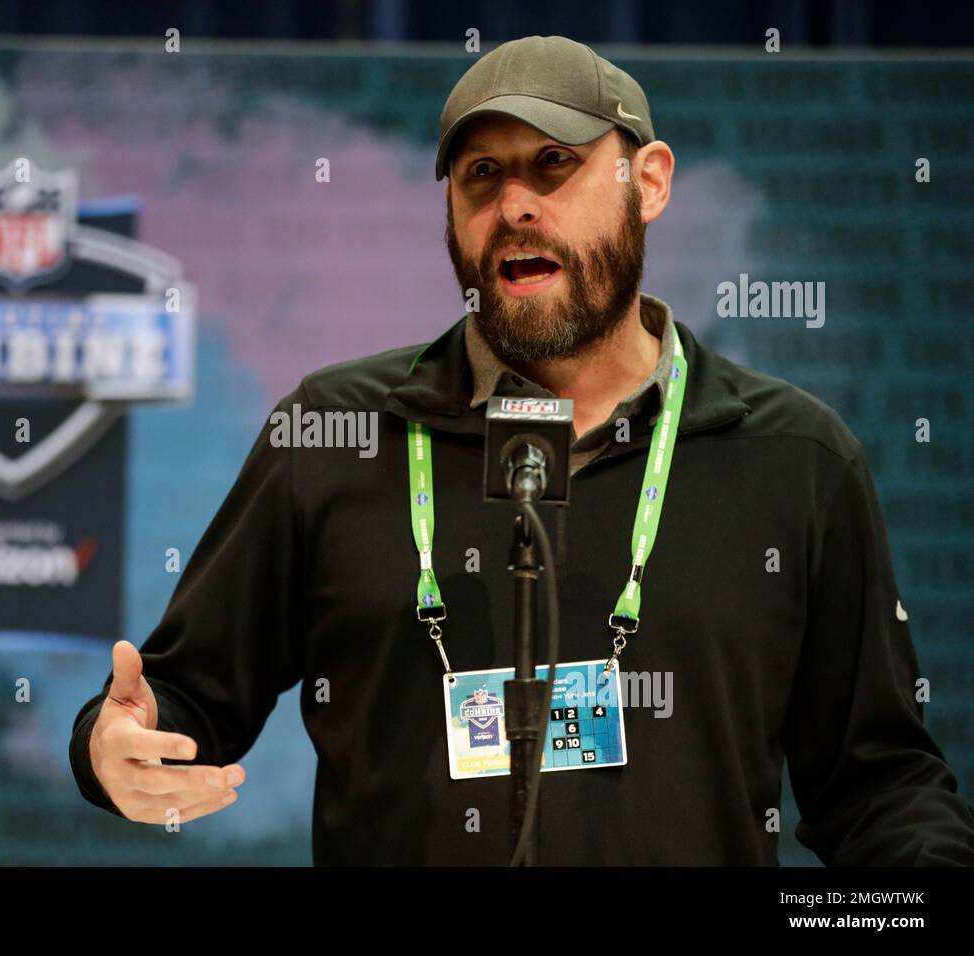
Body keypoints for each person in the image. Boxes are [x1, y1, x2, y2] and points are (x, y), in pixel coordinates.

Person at [69, 35, 974, 865]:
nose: (514, 206)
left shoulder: (795, 459)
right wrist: (112, 745)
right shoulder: (335, 434)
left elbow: (879, 786)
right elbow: (183, 699)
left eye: (555, 165)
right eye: (480, 175)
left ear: (650, 182)